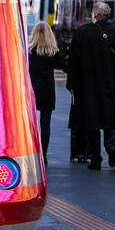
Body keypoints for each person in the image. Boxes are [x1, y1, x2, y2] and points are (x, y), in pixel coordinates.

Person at [67, 0, 115, 171]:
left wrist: (71, 83)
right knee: (110, 119)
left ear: (93, 15)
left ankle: (95, 158)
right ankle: (112, 149)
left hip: (87, 85)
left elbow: (73, 61)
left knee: (91, 123)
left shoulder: (81, 33)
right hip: (111, 84)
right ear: (108, 15)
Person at [27, 22, 67, 163]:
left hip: (30, 90)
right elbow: (67, 67)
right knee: (46, 123)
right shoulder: (53, 53)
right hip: (47, 91)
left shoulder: (29, 52)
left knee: (30, 123)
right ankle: (43, 154)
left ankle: (31, 152)